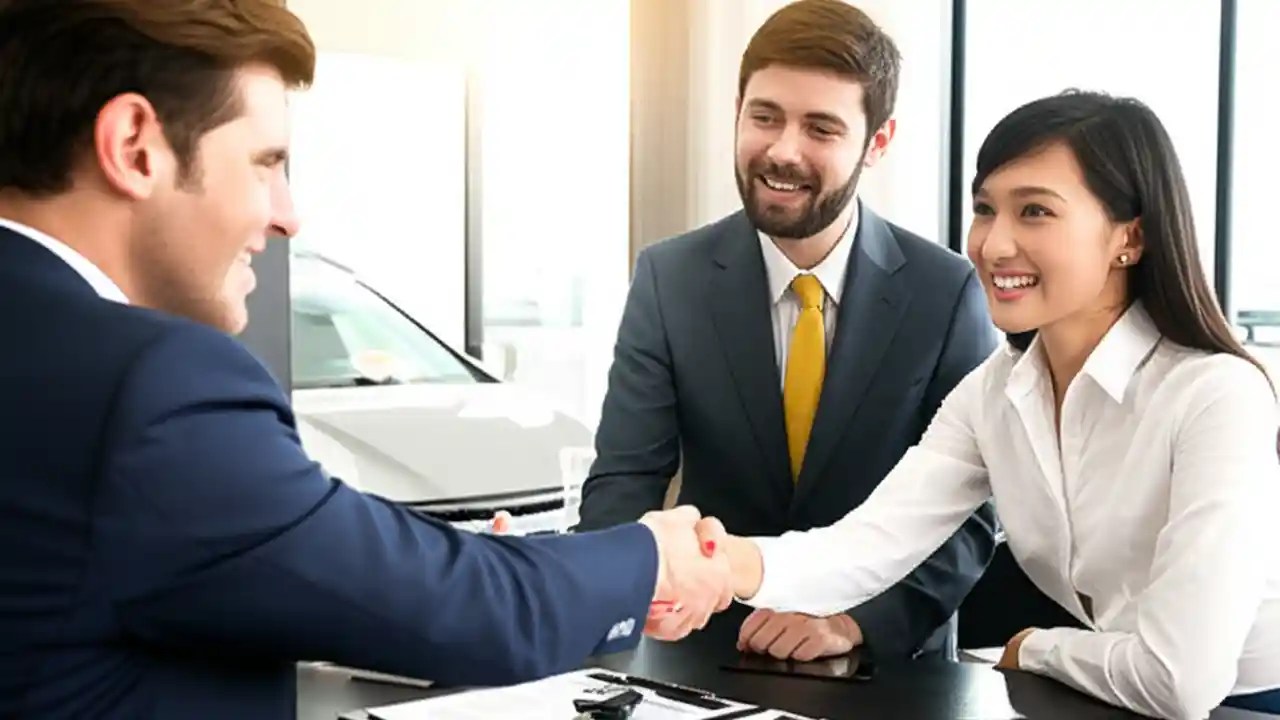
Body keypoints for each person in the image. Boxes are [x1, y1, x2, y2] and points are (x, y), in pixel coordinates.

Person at [0, 2, 731, 719]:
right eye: (266, 164)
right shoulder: (147, 389)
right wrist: (652, 558)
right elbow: (461, 607)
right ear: (135, 147)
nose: (289, 214)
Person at [677, 90, 1280, 719]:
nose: (993, 245)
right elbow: (866, 545)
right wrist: (719, 563)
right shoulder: (996, 391)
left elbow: (1180, 680)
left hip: (1251, 703)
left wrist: (1039, 648)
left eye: (1036, 212)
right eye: (985, 209)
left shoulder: (1216, 395)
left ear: (1129, 237)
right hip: (1110, 691)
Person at [576, 0, 998, 662]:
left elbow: (970, 516)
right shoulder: (670, 277)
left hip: (886, 670)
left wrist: (855, 621)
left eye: (821, 128)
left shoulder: (945, 292)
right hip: (706, 652)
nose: (781, 151)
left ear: (877, 142)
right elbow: (625, 480)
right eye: (764, 116)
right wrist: (610, 595)